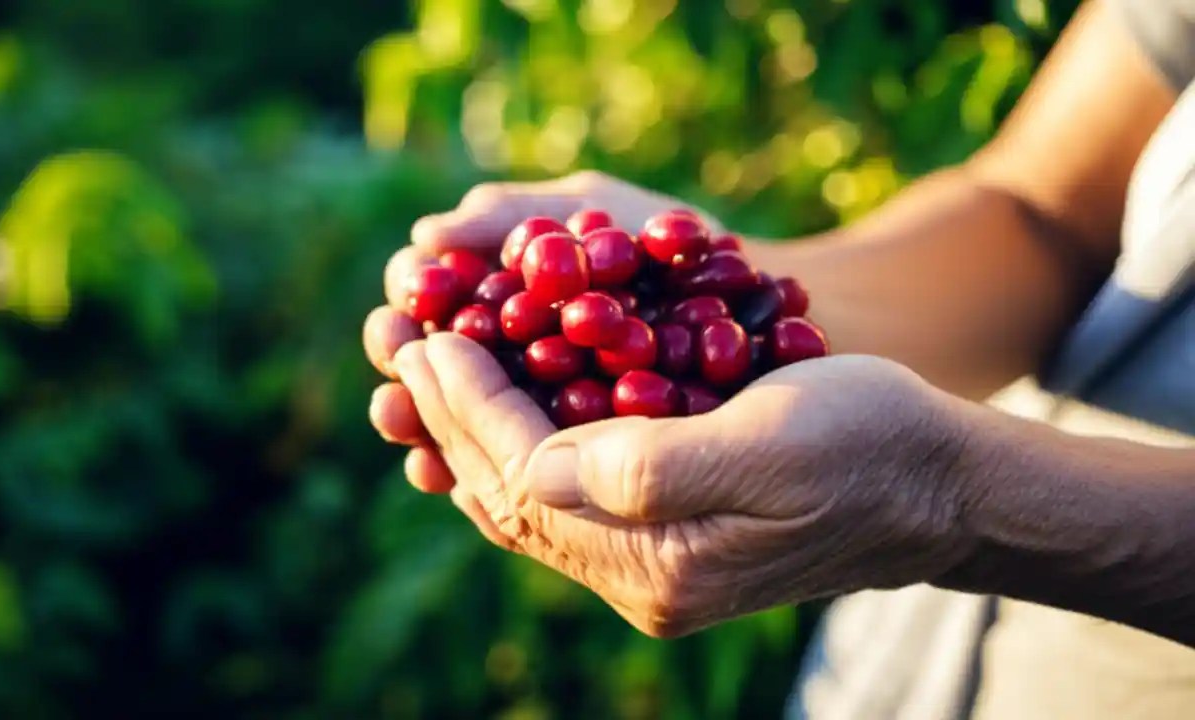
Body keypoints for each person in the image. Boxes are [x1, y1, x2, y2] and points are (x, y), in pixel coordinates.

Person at [363, 0, 1195, 716]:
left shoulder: (949, 495)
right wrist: (761, 315)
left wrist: (963, 504)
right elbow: (1045, 211)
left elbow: (946, 485)